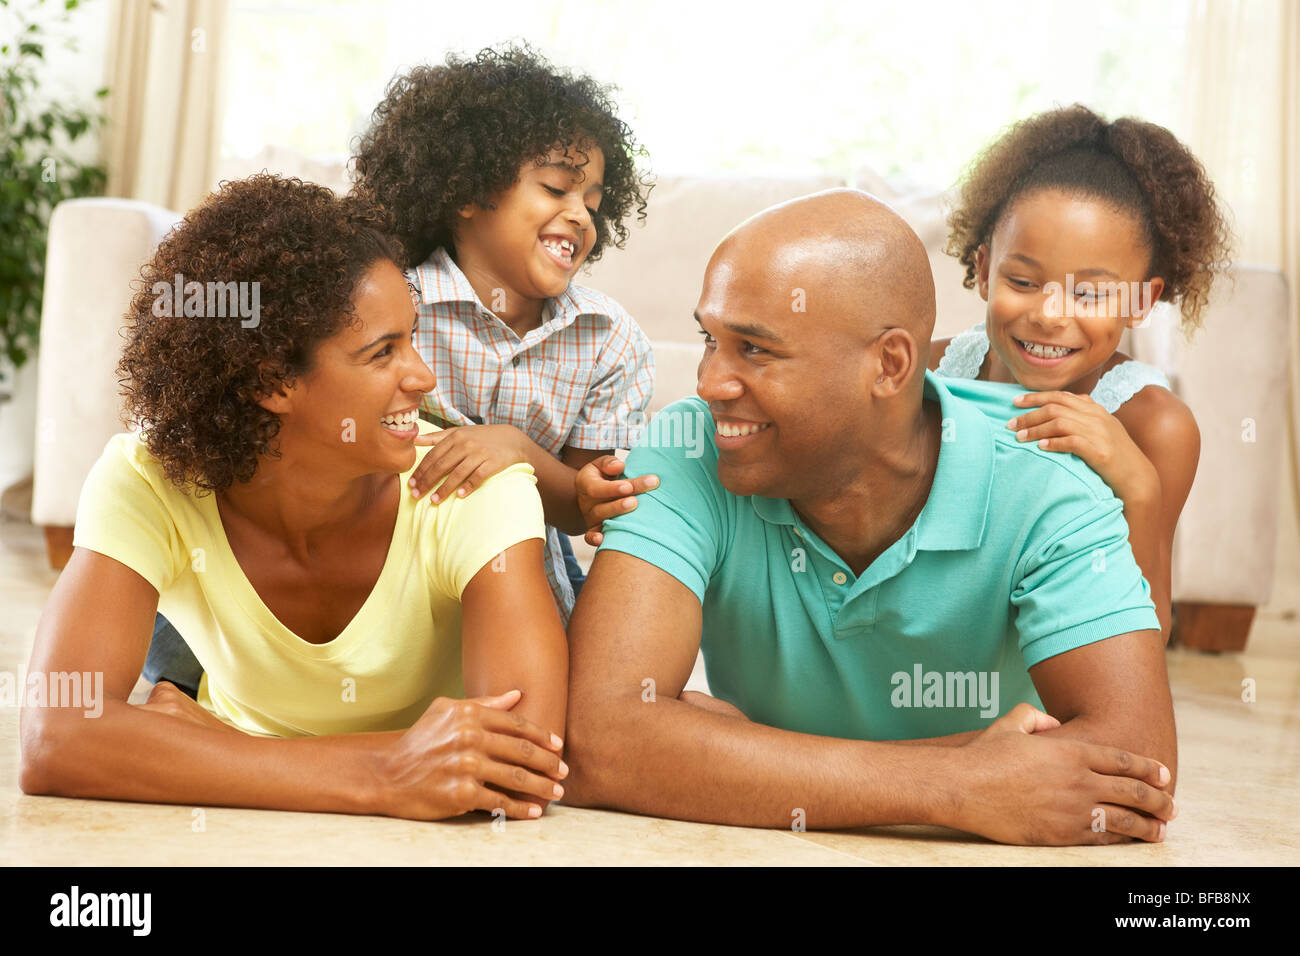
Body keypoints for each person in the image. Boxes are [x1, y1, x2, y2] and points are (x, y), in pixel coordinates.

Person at [562, 189, 1179, 846]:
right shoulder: (690, 449)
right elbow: (598, 735)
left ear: (889, 365)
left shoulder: (1047, 486)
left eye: (755, 349)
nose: (711, 382)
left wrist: (733, 756)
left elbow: (1137, 770)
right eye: (710, 340)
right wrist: (959, 784)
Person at [20, 175, 569, 822]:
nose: (422, 377)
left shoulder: (472, 486)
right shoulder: (148, 481)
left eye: (412, 338)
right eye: (381, 352)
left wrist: (222, 748)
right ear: (274, 380)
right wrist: (382, 772)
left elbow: (525, 769)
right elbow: (55, 736)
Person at [351, 44, 660, 621]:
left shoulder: (609, 338)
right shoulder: (396, 303)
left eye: (592, 203)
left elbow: (576, 509)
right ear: (469, 191)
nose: (580, 215)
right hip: (378, 558)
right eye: (556, 189)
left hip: (514, 570)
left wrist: (515, 450)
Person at [935, 104, 1231, 642]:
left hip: (1055, 689)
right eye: (1023, 282)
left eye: (1090, 294)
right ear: (982, 272)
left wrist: (1135, 482)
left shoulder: (1154, 426)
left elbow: (1148, 633)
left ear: (1142, 300)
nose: (1050, 315)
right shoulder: (930, 374)